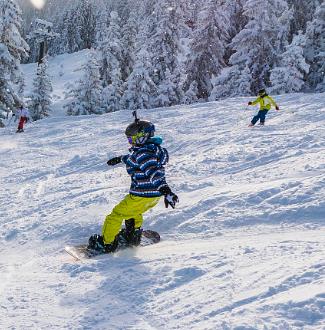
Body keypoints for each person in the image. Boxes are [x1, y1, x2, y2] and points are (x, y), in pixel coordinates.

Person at [88, 116, 179, 253]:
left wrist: (166, 189)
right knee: (134, 212)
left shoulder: (143, 153)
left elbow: (152, 171)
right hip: (153, 196)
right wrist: (120, 159)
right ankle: (133, 236)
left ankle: (106, 244)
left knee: (115, 215)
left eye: (131, 139)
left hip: (141, 194)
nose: (130, 142)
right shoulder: (152, 150)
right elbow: (135, 159)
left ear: (141, 137)